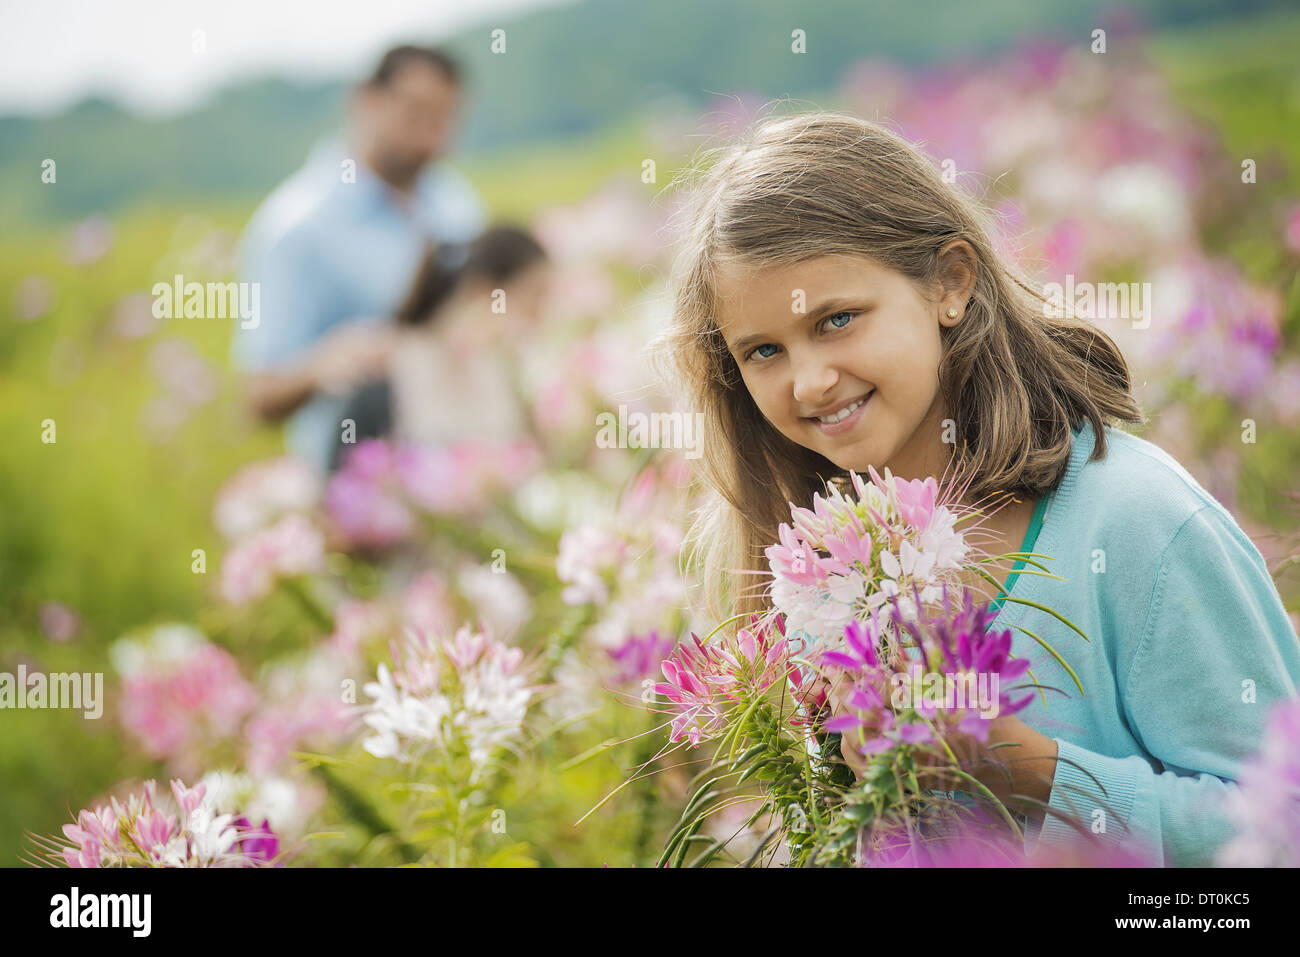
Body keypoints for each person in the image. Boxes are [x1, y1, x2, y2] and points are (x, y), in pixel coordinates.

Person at [655, 111, 1300, 866]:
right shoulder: (816, 574)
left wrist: (1028, 770)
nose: (810, 381)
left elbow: (1277, 824)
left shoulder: (1134, 519)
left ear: (950, 284)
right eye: (763, 350)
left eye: (837, 320)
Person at [232, 45, 486, 472]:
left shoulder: (455, 204)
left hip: (455, 467)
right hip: (352, 484)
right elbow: (258, 395)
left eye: (444, 120)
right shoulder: (296, 227)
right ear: (366, 102)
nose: (430, 137)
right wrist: (325, 364)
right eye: (416, 114)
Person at [327, 225, 550, 469]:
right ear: (486, 291)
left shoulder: (499, 374)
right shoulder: (384, 380)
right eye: (534, 298)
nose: (538, 318)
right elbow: (343, 491)